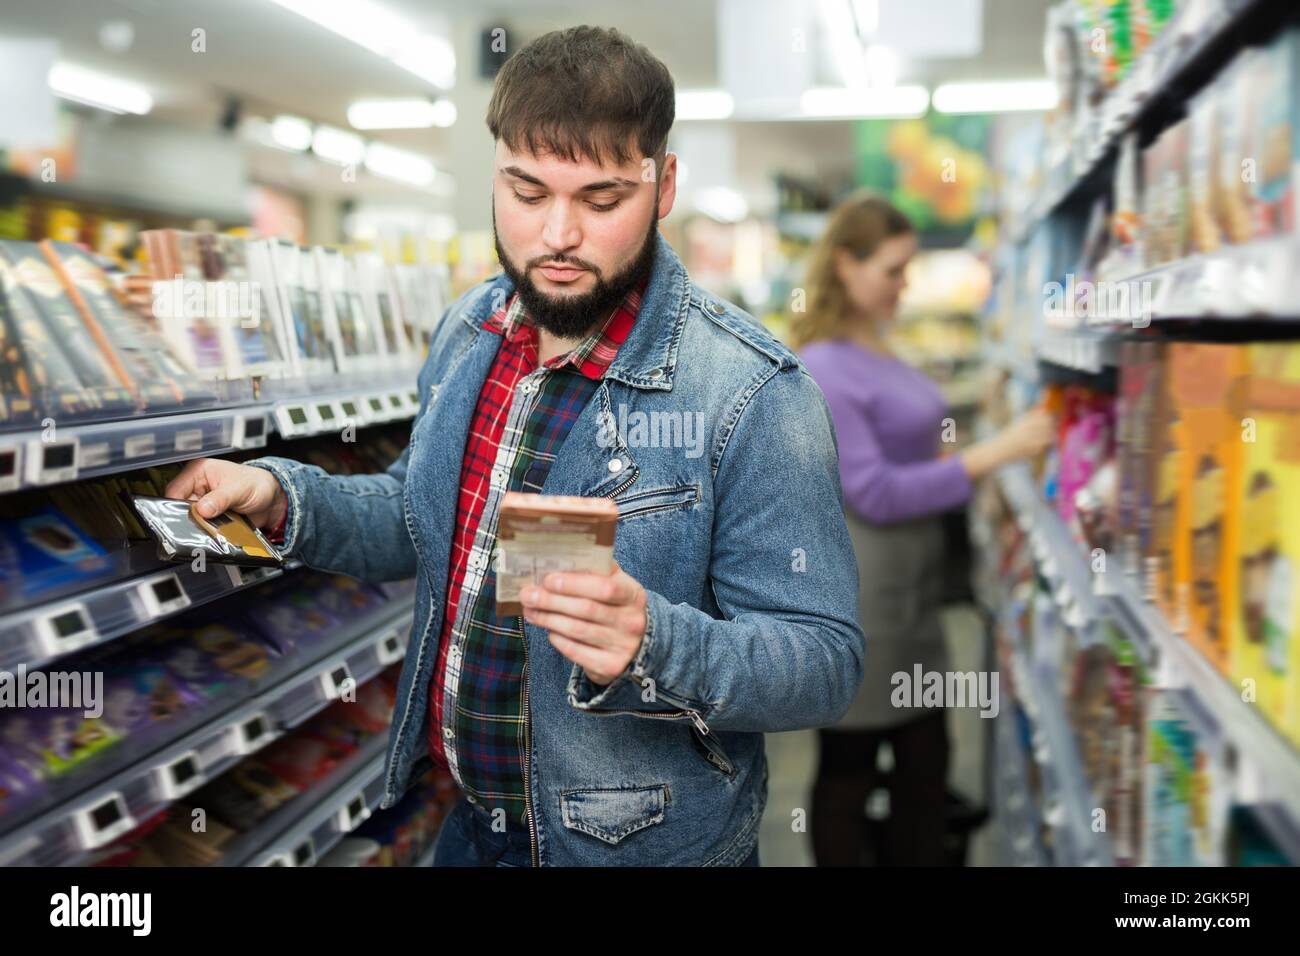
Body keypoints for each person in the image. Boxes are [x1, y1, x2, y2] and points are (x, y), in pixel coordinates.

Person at [165, 26, 864, 867]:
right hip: (467, 827)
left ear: (664, 183)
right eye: (526, 192)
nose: (558, 235)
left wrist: (657, 641)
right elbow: (423, 521)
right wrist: (286, 500)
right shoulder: (473, 328)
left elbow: (823, 659)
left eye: (601, 200)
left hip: (633, 852)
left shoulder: (750, 393)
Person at [794, 192, 1053, 866]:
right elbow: (874, 492)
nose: (904, 286)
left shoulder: (876, 342)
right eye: (892, 271)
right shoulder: (824, 365)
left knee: (926, 760)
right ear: (845, 266)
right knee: (854, 763)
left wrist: (951, 455)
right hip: (865, 595)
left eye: (908, 271)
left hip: (914, 591)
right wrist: (993, 453)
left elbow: (907, 448)